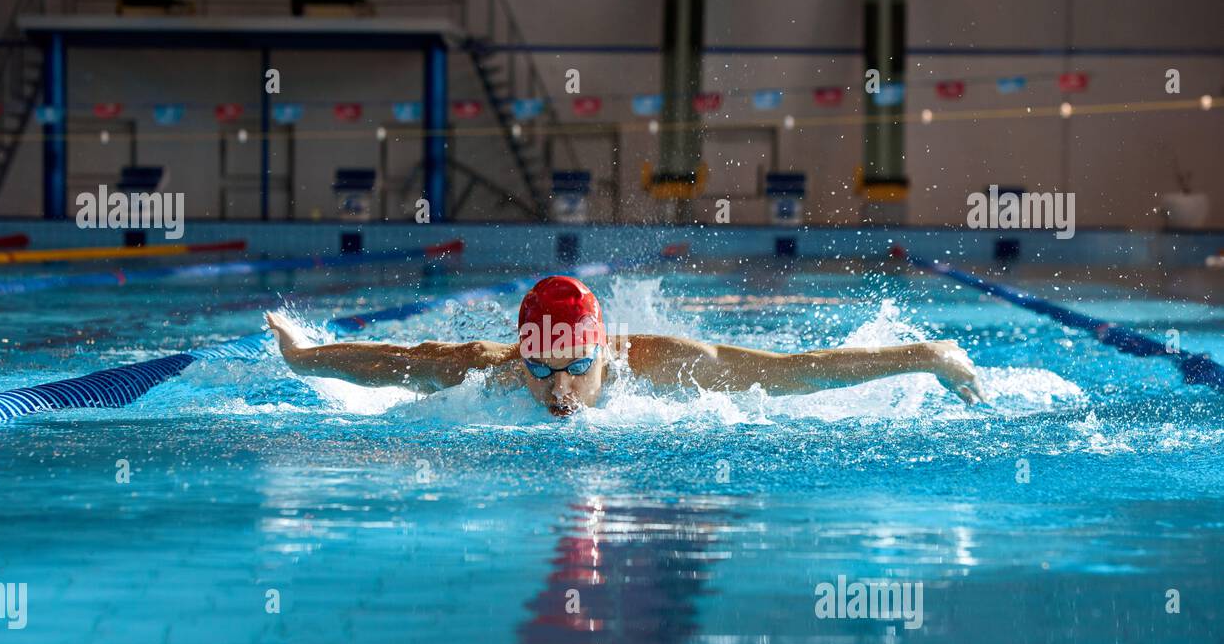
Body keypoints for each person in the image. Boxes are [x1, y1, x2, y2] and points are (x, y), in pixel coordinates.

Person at [265, 275, 985, 418]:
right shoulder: (496, 371)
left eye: (577, 367)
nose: (558, 389)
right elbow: (391, 359)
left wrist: (925, 354)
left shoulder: (665, 364)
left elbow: (793, 375)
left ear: (602, 352)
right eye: (542, 368)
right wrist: (303, 356)